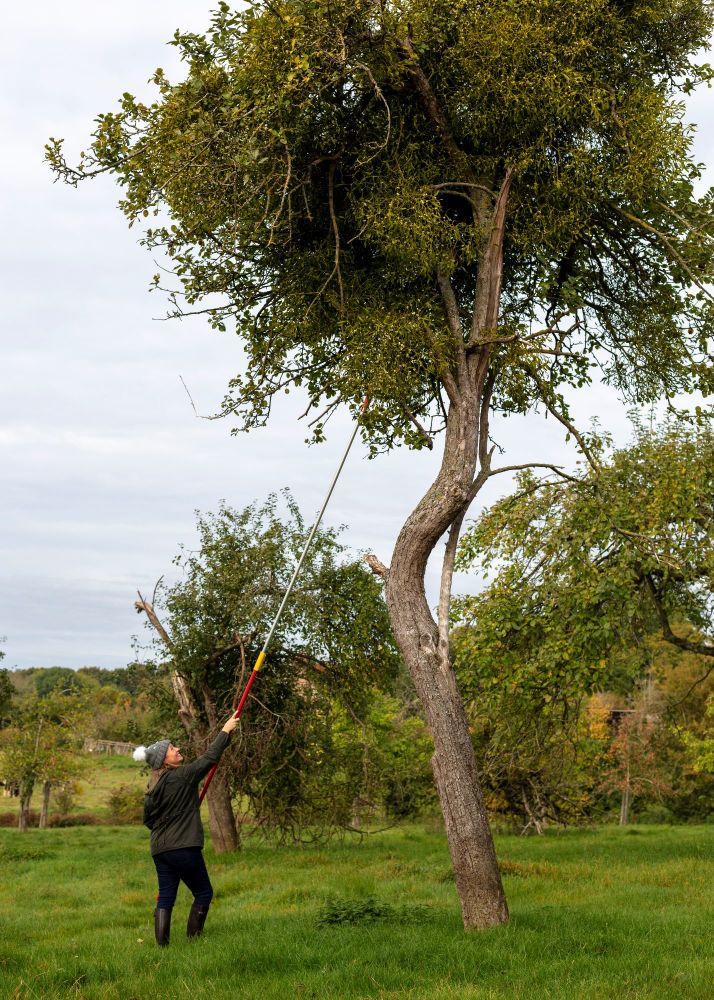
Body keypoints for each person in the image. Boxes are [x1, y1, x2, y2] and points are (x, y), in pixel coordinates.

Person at [133, 712, 239, 946]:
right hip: (183, 848)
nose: (177, 749)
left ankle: (163, 947)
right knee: (203, 893)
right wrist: (225, 731)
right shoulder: (181, 777)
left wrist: (176, 817)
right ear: (164, 761)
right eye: (172, 748)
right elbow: (210, 758)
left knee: (166, 897)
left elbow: (148, 821)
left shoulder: (152, 787)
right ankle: (194, 942)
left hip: (160, 850)